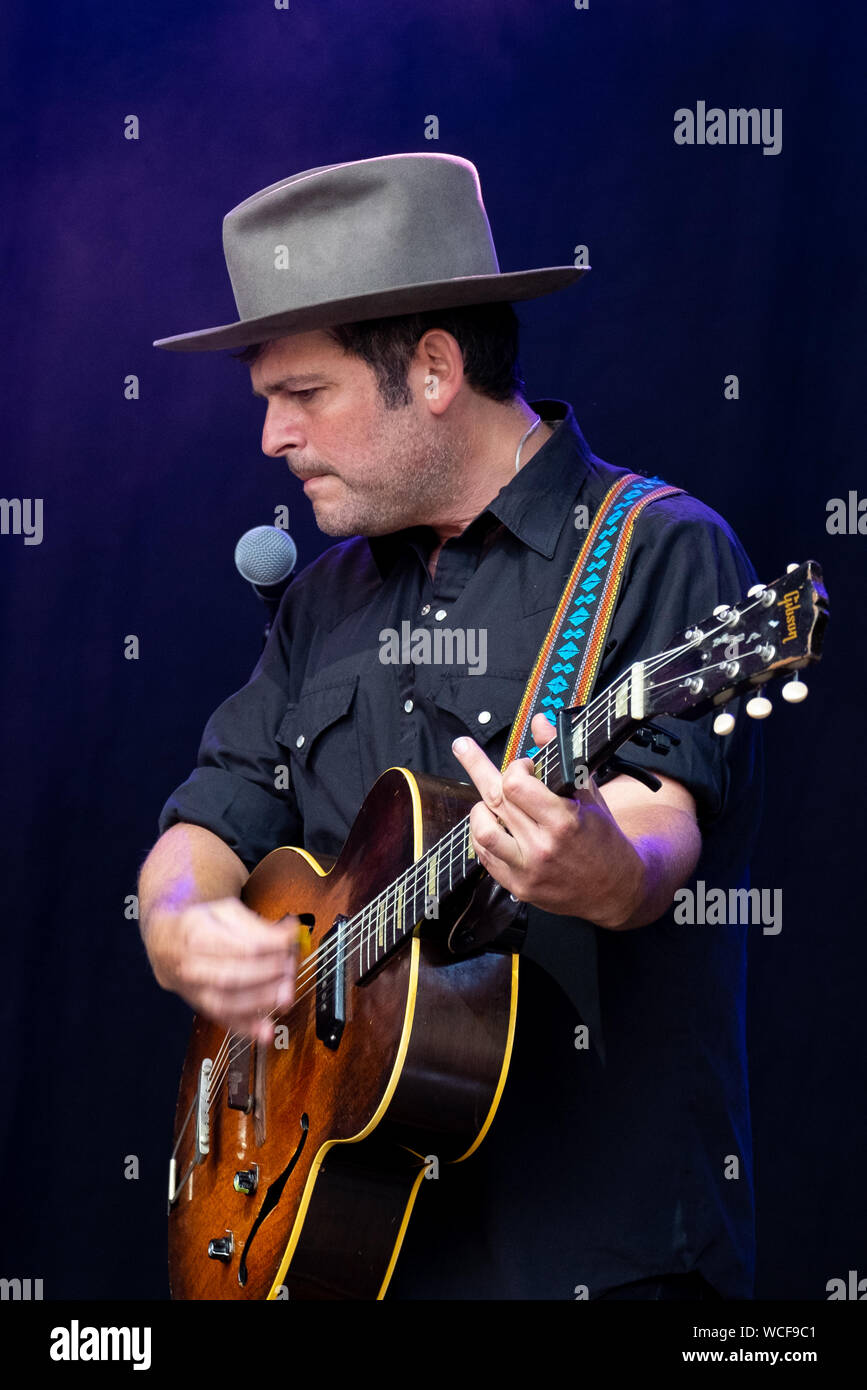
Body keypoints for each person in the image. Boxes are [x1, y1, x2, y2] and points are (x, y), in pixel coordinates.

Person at [139, 152, 762, 1301]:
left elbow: (658, 831)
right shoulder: (323, 600)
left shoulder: (658, 547)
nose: (272, 438)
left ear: (432, 369)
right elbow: (209, 819)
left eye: (304, 394)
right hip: (347, 1245)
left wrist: (600, 860)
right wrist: (184, 928)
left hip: (593, 1259)